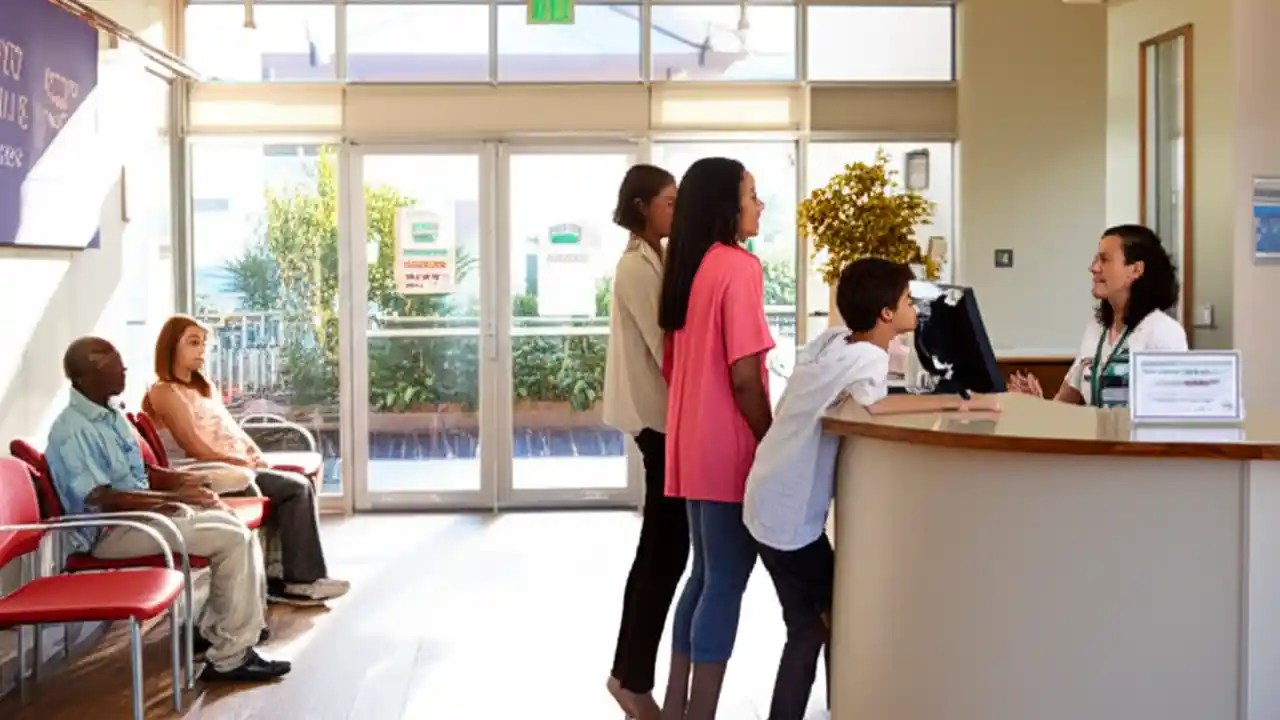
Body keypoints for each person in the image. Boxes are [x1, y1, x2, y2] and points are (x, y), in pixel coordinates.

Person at [744, 258, 998, 720]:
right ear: (885, 314)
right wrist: (959, 403)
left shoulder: (833, 342)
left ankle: (837, 705)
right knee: (813, 628)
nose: (915, 309)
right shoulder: (869, 358)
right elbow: (876, 408)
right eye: (907, 301)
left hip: (766, 492)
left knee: (812, 623)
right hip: (789, 515)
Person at [45, 337, 291, 682]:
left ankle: (218, 632)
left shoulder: (111, 415)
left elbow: (143, 474)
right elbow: (101, 497)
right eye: (115, 366)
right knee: (232, 539)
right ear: (87, 376)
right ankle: (231, 658)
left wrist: (187, 485)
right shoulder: (71, 430)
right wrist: (171, 502)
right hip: (112, 530)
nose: (124, 370)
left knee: (234, 525)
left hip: (142, 518)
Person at [658, 157, 771, 720]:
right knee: (725, 582)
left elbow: (672, 368)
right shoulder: (739, 267)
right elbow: (746, 377)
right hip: (729, 450)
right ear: (727, 204)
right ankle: (700, 712)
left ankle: (676, 706)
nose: (759, 204)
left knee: (702, 576)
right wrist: (770, 441)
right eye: (751, 194)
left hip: (691, 446)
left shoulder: (691, 268)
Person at [142, 315, 349, 605]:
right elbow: (194, 445)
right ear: (170, 347)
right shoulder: (164, 391)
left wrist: (255, 454)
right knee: (295, 488)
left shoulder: (204, 387)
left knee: (297, 483)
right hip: (203, 471)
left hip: (231, 465)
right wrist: (240, 462)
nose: (201, 350)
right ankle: (301, 581)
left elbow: (231, 429)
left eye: (204, 343)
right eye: (193, 342)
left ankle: (280, 575)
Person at [602, 164, 689, 720]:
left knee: (661, 551)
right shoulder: (635, 266)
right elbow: (667, 349)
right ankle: (630, 680)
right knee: (663, 553)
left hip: (663, 423)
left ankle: (627, 676)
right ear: (642, 207)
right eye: (669, 202)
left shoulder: (654, 258)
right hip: (658, 425)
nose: (676, 211)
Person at [1009, 224, 1187, 407]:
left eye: (1104, 259)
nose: (1093, 268)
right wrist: (1038, 404)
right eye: (1095, 260)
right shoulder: (1096, 329)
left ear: (1136, 269)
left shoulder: (1162, 331)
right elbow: (1063, 405)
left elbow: (1171, 412)